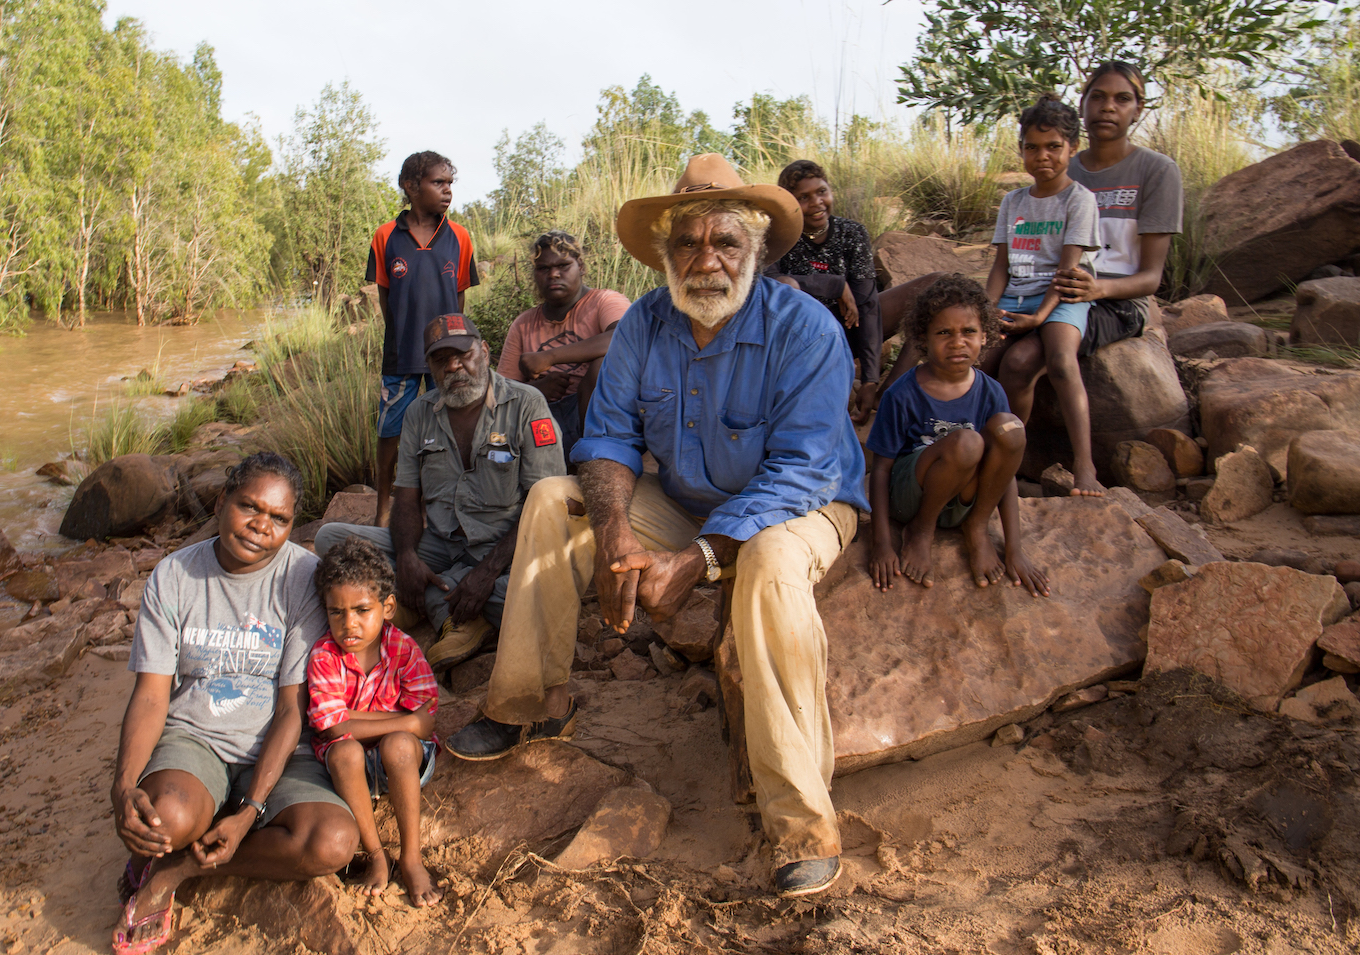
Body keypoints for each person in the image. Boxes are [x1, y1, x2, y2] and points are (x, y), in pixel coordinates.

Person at [445, 154, 869, 899]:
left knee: (768, 564)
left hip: (803, 502)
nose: (706, 259)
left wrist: (699, 559)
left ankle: (800, 820)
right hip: (682, 497)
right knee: (552, 502)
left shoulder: (805, 328)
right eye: (688, 243)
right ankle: (526, 707)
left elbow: (801, 467)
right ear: (666, 253)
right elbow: (606, 439)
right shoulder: (645, 322)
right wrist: (615, 537)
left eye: (726, 242)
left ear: (758, 250)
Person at [111, 453, 357, 955]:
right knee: (165, 819)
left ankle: (177, 871)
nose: (260, 527)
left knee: (331, 841)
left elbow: (291, 710)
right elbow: (153, 694)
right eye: (249, 507)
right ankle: (181, 834)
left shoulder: (304, 578)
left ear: (291, 524)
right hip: (196, 739)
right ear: (223, 501)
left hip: (278, 751)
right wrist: (122, 786)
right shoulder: (175, 575)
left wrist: (249, 812)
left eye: (279, 519)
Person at [314, 314, 566, 675]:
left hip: (508, 548)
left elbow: (547, 507)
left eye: (463, 354)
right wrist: (407, 555)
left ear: (484, 352)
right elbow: (406, 499)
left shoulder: (526, 405)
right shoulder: (419, 414)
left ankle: (431, 601)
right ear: (430, 366)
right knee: (330, 540)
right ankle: (449, 601)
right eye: (440, 359)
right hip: (441, 543)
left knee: (540, 600)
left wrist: (487, 572)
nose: (453, 366)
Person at [997, 62, 1184, 425]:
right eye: (1097, 97)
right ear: (1082, 104)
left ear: (1138, 109)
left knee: (1021, 361)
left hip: (1116, 299)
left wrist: (1098, 289)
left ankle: (1013, 464)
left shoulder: (1157, 171)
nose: (1108, 107)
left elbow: (1150, 278)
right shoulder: (1060, 166)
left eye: (1122, 99)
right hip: (1049, 286)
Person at [866, 275, 1049, 595]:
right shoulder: (903, 393)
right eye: (944, 333)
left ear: (986, 335)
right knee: (968, 441)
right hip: (912, 499)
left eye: (969, 331)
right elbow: (880, 470)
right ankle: (921, 531)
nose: (958, 342)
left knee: (1011, 429)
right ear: (922, 337)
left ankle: (976, 527)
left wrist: (1014, 548)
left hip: (963, 500)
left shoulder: (990, 392)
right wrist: (881, 543)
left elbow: (1005, 471)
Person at [307, 537, 443, 906]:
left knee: (398, 746)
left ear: (388, 608)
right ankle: (377, 854)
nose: (348, 623)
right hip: (347, 769)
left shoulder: (403, 647)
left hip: (400, 761)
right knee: (345, 752)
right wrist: (403, 721)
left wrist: (354, 717)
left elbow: (425, 722)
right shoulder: (324, 655)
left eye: (361, 610)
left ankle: (411, 857)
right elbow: (334, 729)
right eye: (337, 612)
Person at [985, 95, 1103, 495]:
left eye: (1054, 147)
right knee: (986, 359)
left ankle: (1085, 465)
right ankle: (1003, 462)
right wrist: (987, 312)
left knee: (1060, 360)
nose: (1043, 156)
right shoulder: (1013, 201)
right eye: (1032, 148)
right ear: (1021, 151)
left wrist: (1039, 318)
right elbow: (1001, 266)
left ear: (1072, 148)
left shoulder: (1079, 200)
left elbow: (1069, 269)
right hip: (1015, 296)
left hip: (1061, 296)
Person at [367, 151, 481, 527]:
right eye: (438, 183)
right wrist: (401, 334)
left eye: (450, 184)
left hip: (445, 356)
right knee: (390, 431)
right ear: (411, 186)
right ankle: (384, 507)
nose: (447, 191)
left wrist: (452, 343)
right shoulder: (385, 236)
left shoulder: (460, 237)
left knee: (449, 426)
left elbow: (459, 296)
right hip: (400, 356)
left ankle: (446, 505)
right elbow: (386, 295)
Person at [764, 160, 883, 421]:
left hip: (849, 330)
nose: (817, 202)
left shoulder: (852, 233)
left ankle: (885, 396)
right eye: (803, 197)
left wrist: (871, 379)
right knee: (786, 287)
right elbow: (773, 287)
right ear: (789, 203)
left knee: (927, 287)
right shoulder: (778, 236)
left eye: (821, 191)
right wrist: (834, 285)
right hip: (802, 339)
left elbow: (867, 305)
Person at [496, 230, 630, 454]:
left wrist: (549, 357)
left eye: (563, 265)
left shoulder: (604, 301)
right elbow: (502, 395)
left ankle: (596, 456)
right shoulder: (523, 324)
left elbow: (624, 339)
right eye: (544, 269)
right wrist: (536, 390)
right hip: (544, 418)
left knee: (603, 365)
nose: (554, 274)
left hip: (598, 418)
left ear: (580, 266)